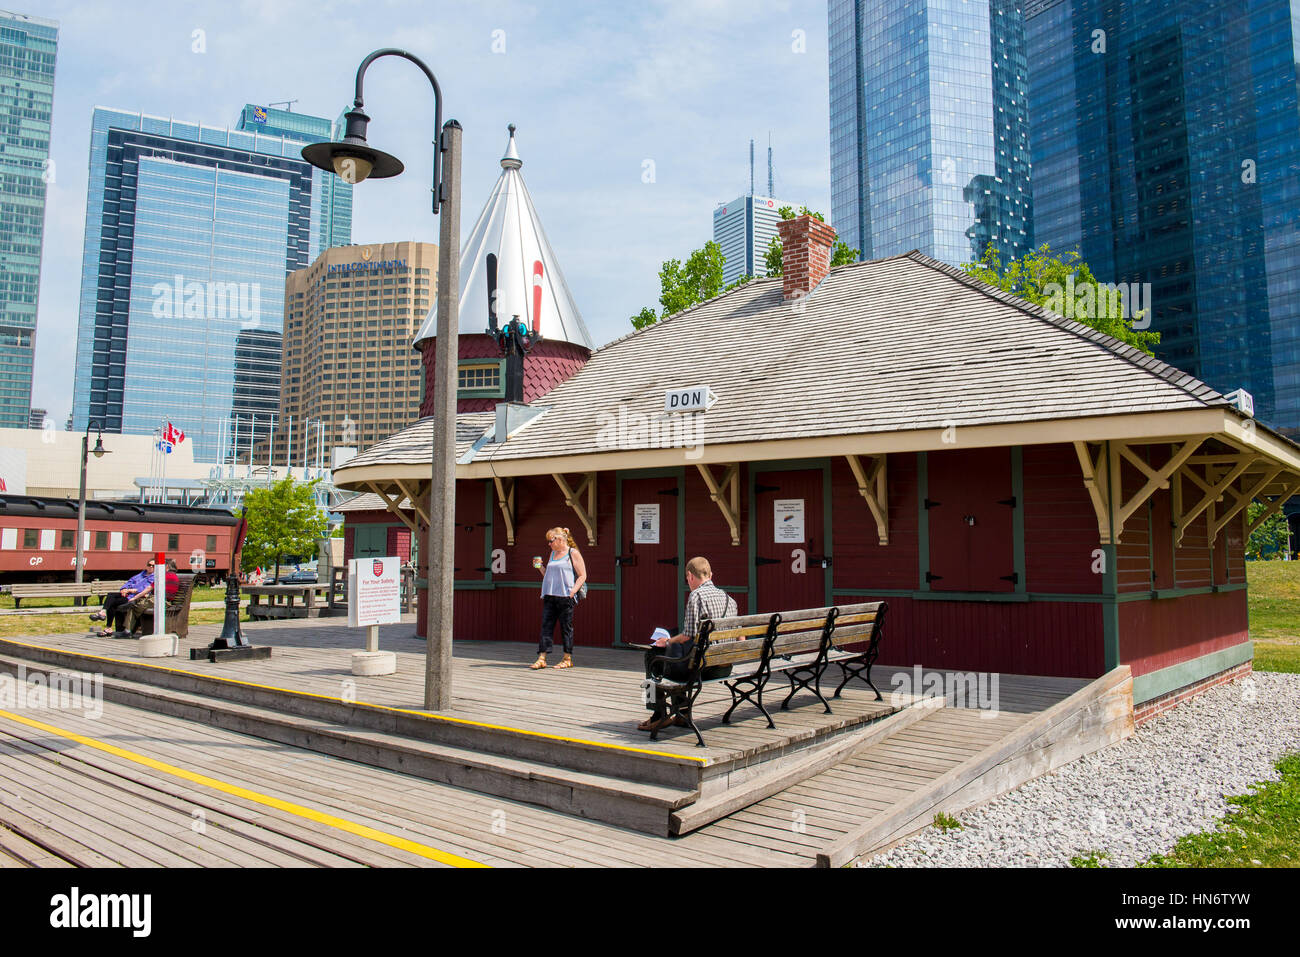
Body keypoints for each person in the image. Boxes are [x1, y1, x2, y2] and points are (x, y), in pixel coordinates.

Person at [638, 556, 736, 733]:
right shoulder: (729, 599)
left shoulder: (696, 596)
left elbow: (687, 636)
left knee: (652, 658)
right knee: (678, 660)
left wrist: (666, 641)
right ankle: (682, 714)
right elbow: (740, 638)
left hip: (702, 668)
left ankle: (657, 713)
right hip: (724, 666)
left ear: (690, 576)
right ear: (711, 574)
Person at [530, 526, 587, 670]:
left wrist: (573, 591)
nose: (549, 544)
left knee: (566, 628)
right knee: (546, 626)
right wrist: (540, 568)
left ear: (560, 539)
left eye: (551, 541)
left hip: (565, 596)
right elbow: (548, 576)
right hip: (550, 594)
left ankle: (567, 658)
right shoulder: (552, 554)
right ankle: (542, 658)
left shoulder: (572, 553)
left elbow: (582, 575)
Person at [118, 559, 182, 637]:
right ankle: (130, 629)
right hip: (164, 601)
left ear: (167, 566)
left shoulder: (164, 576)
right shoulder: (173, 576)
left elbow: (148, 588)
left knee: (133, 607)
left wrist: (135, 598)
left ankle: (128, 631)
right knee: (135, 606)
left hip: (160, 601)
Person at [92, 561, 155, 636]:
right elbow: (129, 582)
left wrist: (129, 590)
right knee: (110, 596)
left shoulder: (154, 577)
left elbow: (144, 589)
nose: (151, 567)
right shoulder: (140, 574)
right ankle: (103, 613)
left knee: (113, 603)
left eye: (153, 566)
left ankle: (106, 624)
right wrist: (124, 589)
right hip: (127, 594)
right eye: (149, 565)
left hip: (135, 598)